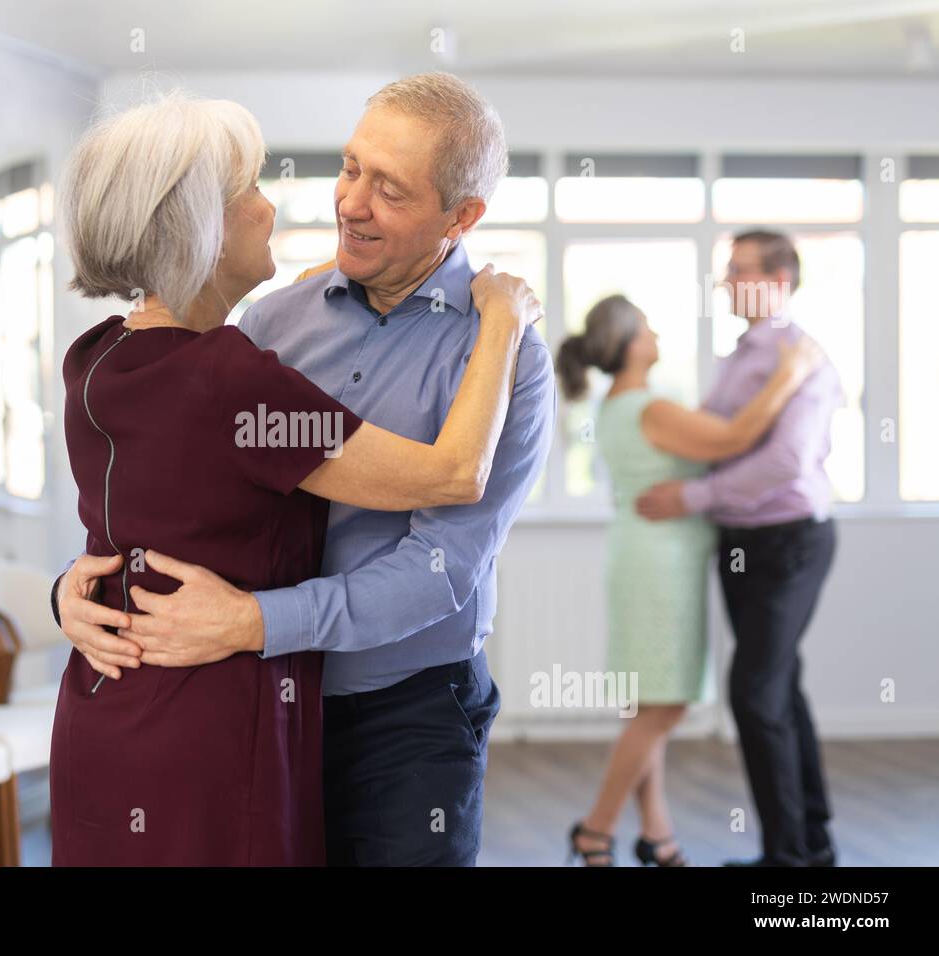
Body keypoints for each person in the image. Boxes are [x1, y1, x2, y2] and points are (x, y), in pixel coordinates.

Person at [54, 72, 556, 866]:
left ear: (460, 218)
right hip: (254, 703)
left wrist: (258, 622)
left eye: (389, 189)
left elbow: (444, 569)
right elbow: (176, 499)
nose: (350, 204)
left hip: (403, 717)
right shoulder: (266, 326)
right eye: (351, 168)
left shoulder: (505, 359)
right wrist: (76, 591)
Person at [556, 293, 822, 866]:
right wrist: (789, 374)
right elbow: (734, 440)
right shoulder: (650, 407)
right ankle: (595, 831)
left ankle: (658, 834)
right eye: (648, 327)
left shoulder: (618, 404)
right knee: (665, 707)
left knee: (646, 703)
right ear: (630, 344)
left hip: (641, 558)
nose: (656, 334)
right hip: (661, 569)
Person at [637, 230, 843, 867]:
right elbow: (712, 438)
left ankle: (788, 863)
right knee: (782, 687)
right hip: (742, 544)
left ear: (778, 280)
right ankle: (812, 843)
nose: (725, 281)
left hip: (790, 543)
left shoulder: (803, 357)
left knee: (755, 692)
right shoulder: (739, 358)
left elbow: (786, 460)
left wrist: (691, 499)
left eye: (739, 270)